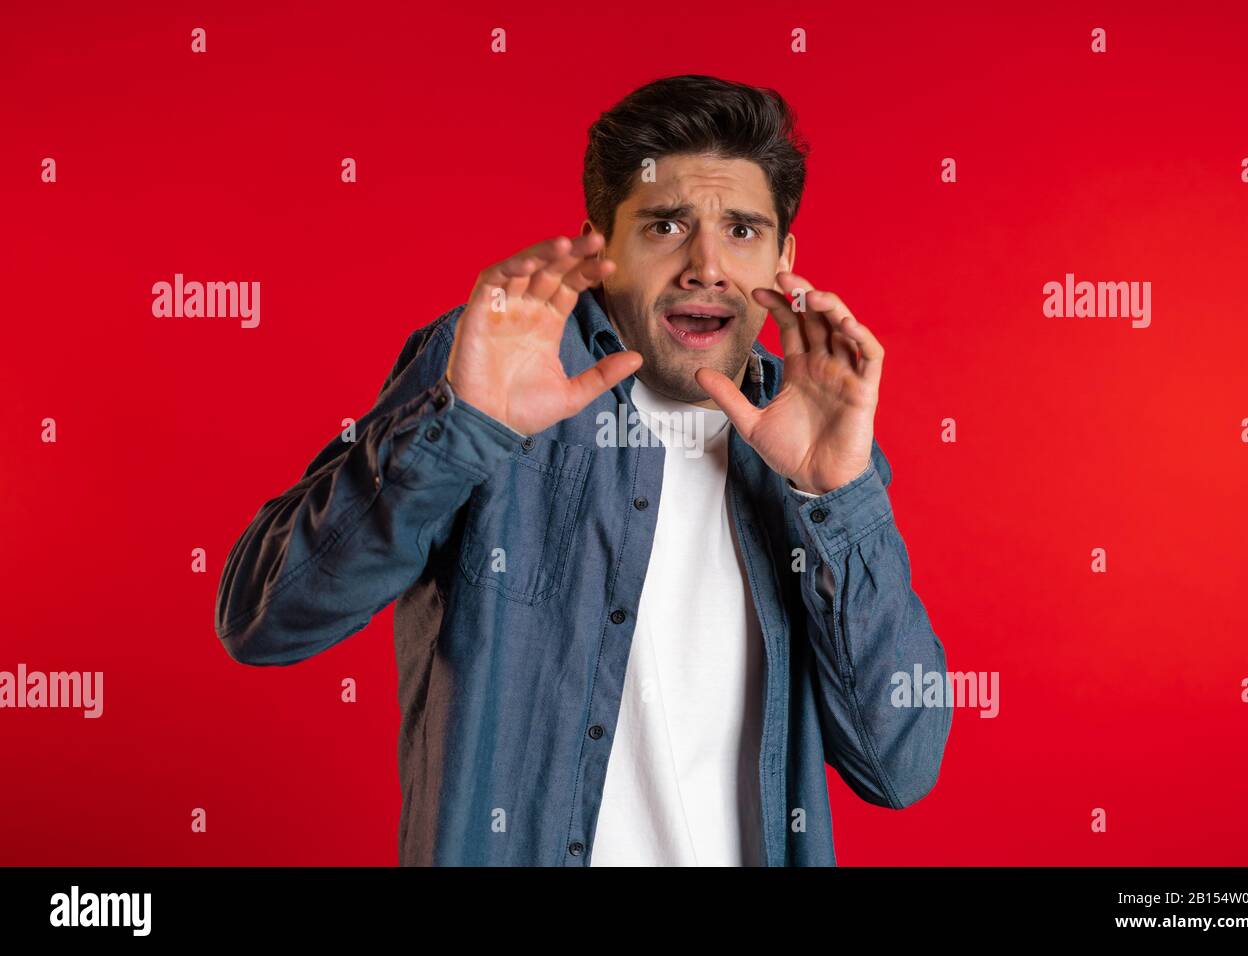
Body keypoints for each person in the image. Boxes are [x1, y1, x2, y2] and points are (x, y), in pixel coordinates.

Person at [215, 73, 951, 866]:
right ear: (602, 249)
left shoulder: (814, 439)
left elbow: (899, 767)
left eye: (742, 231)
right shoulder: (491, 371)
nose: (706, 265)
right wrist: (460, 429)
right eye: (666, 226)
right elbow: (265, 620)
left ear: (784, 259)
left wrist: (837, 494)